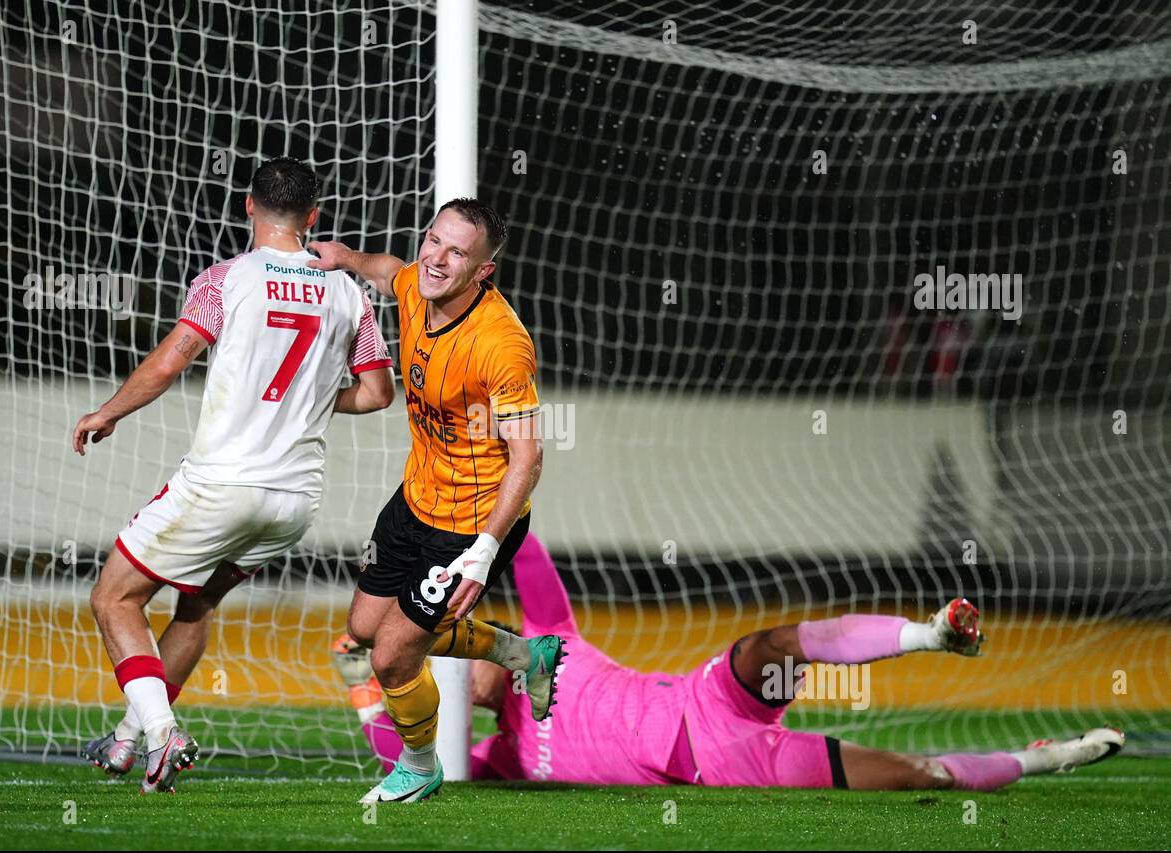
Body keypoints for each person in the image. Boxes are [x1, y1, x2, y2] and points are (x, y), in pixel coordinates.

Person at [73, 157, 395, 793]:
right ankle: (129, 739)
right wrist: (306, 398)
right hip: (293, 502)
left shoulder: (226, 279)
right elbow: (379, 393)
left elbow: (170, 363)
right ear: (314, 217)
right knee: (197, 601)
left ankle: (165, 734)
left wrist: (108, 412)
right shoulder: (348, 292)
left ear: (249, 206)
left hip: (223, 485)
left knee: (114, 598)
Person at [334, 533, 1125, 790]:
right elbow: (400, 750)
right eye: (449, 676)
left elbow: (527, 554)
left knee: (769, 645)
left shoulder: (551, 639)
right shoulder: (495, 755)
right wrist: (364, 681)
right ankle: (1037, 757)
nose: (462, 676)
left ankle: (931, 634)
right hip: (735, 766)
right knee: (920, 778)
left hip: (710, 702)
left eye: (459, 657)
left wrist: (467, 519)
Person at [308, 199, 563, 803]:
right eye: (434, 240)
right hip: (415, 500)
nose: (436, 258)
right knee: (364, 629)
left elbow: (527, 459)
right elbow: (388, 267)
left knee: (393, 659)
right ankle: (524, 655)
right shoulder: (417, 285)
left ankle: (419, 766)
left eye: (457, 253)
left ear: (483, 271)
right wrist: (346, 258)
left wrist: (483, 551)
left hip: (470, 527)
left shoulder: (502, 346)